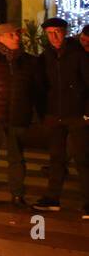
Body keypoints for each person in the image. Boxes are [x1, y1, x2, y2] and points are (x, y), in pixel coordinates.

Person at [0, 24, 42, 208]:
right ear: (0, 38)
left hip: (18, 116)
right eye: (11, 35)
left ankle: (18, 194)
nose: (16, 38)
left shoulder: (28, 61)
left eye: (17, 34)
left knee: (17, 158)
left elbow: (35, 89)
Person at [33, 17, 89, 217]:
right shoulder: (45, 56)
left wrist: (86, 114)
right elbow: (41, 87)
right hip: (54, 115)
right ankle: (53, 198)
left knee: (83, 159)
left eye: (57, 31)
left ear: (65, 32)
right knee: (56, 159)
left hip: (76, 116)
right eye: (49, 33)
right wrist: (44, 113)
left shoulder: (79, 55)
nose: (54, 36)